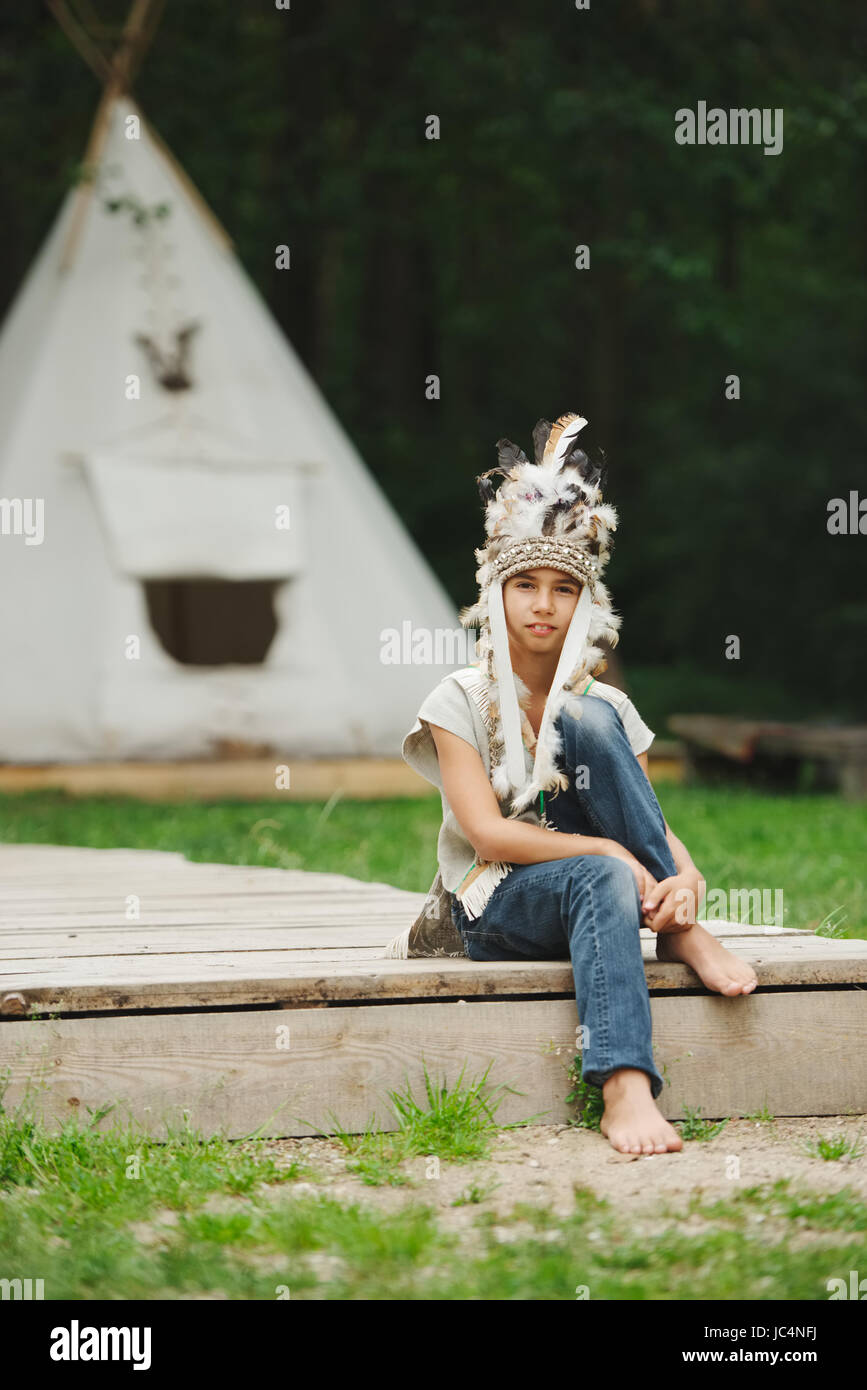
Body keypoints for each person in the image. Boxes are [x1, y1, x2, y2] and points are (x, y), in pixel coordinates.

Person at [402, 412, 757, 1157]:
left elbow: (642, 820)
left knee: (588, 725)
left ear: (584, 603)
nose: (541, 604)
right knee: (600, 866)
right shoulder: (457, 699)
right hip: (500, 899)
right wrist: (616, 856)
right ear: (493, 596)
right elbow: (488, 834)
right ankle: (623, 1086)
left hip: (603, 881)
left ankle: (681, 929)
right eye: (523, 585)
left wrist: (681, 872)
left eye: (562, 588)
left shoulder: (609, 707)